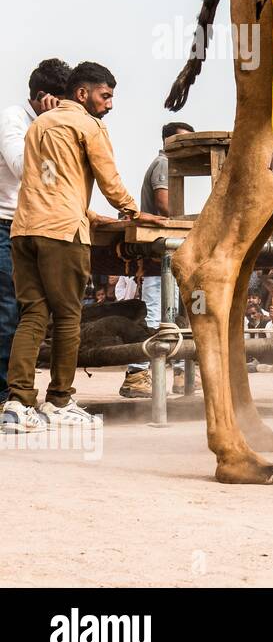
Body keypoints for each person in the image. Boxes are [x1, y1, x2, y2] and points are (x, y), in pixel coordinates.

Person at [1, 63, 164, 434]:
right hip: (62, 234)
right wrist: (132, 212)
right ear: (82, 94)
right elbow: (109, 178)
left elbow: (46, 184)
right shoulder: (88, 125)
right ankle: (59, 400)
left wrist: (92, 215)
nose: (109, 105)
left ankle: (18, 404)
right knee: (68, 316)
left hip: (23, 231)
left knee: (32, 316)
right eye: (105, 96)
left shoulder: (38, 125)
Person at [0, 58, 70, 403]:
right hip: (5, 224)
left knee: (37, 310)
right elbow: (23, 168)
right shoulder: (13, 120)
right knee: (10, 310)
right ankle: (4, 395)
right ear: (44, 97)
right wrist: (48, 127)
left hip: (35, 226)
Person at [123, 120, 195, 397]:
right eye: (182, 141)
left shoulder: (171, 166)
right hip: (157, 254)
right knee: (155, 315)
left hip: (165, 253)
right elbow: (165, 206)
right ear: (168, 142)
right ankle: (136, 375)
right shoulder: (164, 163)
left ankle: (178, 376)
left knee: (173, 318)